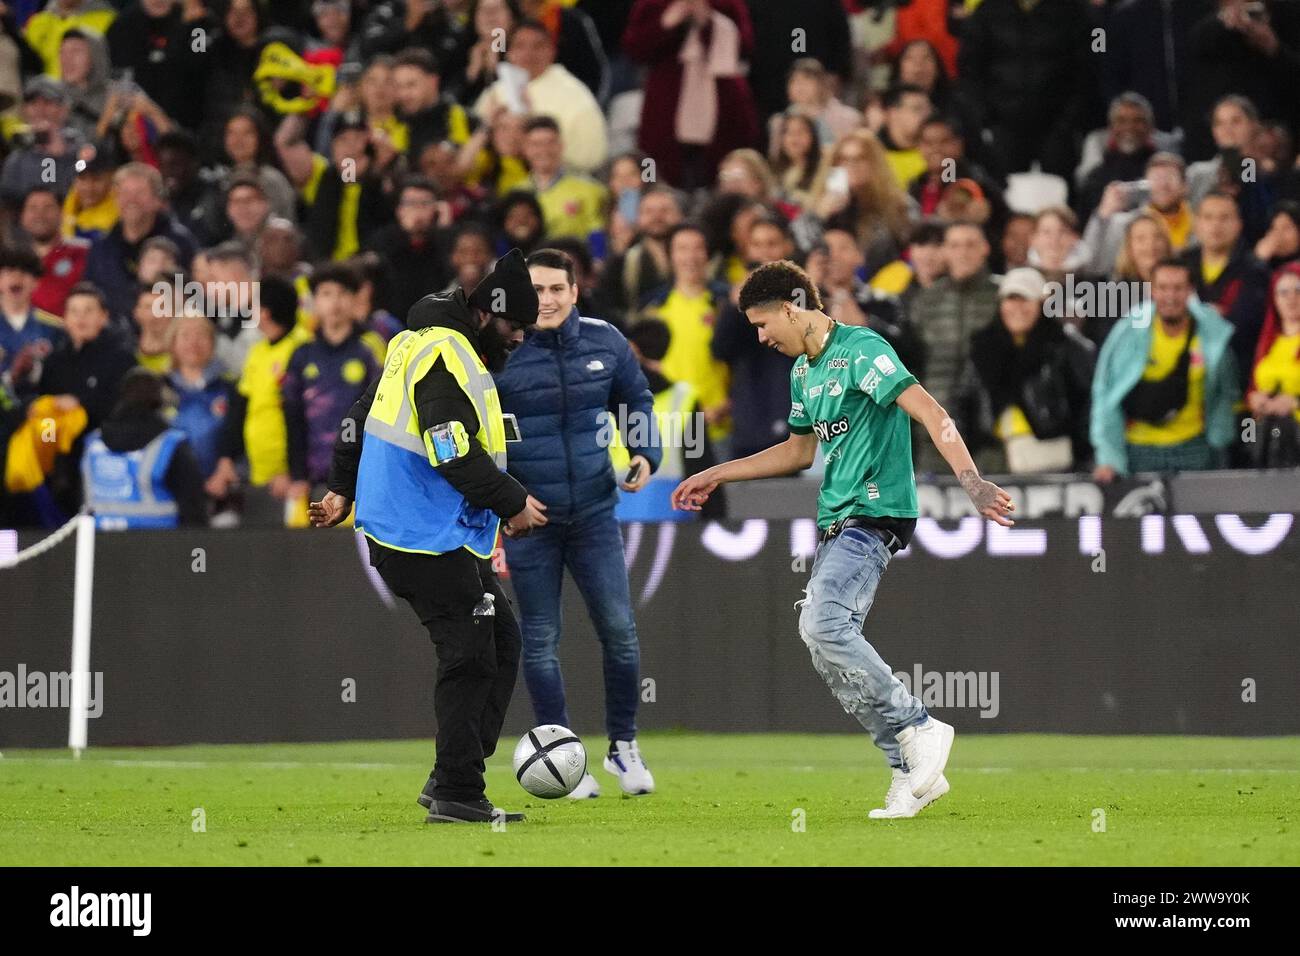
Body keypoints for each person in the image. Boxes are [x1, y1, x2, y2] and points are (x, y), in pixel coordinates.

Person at [671, 259, 1015, 819]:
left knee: (823, 623)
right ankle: (908, 772)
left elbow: (930, 412)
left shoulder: (863, 351)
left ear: (790, 307)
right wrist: (718, 472)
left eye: (763, 325)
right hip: (835, 521)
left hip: (874, 514)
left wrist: (971, 482)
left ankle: (919, 727)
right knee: (824, 644)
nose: (760, 338)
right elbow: (799, 452)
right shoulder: (804, 373)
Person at [310, 249, 547, 825]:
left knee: (501, 645)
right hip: (419, 534)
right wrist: (513, 500)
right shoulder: (445, 355)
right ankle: (458, 791)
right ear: (489, 314)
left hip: (436, 533)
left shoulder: (418, 345)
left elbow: (360, 414)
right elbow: (451, 450)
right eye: (516, 327)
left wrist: (341, 485)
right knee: (470, 654)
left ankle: (453, 774)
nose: (519, 340)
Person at [493, 248, 661, 798]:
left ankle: (623, 747)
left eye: (555, 290)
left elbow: (635, 397)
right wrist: (507, 503)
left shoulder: (607, 341)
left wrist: (644, 452)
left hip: (593, 512)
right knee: (540, 641)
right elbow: (477, 434)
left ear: (575, 291)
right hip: (529, 522)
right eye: (536, 290)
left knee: (620, 632)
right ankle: (564, 760)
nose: (545, 300)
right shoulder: (498, 350)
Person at [1091, 258, 1240, 478]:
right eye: (1163, 288)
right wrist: (1109, 458)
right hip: (1139, 450)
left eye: (1178, 288)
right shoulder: (1129, 332)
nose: (1170, 296)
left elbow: (1227, 391)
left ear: (1190, 291)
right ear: (1152, 290)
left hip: (1195, 449)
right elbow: (1105, 393)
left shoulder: (1211, 333)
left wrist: (1220, 439)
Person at [953, 268, 1096, 475]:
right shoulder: (983, 347)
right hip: (993, 458)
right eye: (1011, 299)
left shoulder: (1065, 346)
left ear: (1041, 303)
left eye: (1025, 299)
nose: (1017, 307)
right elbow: (964, 400)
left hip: (1054, 458)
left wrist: (1084, 456)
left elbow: (1087, 405)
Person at [81, 367, 207, 529]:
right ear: (159, 399)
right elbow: (193, 506)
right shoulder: (170, 443)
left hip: (98, 545)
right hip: (161, 545)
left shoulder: (93, 443)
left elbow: (81, 496)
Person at [1245, 262, 1300, 466]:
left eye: (1298, 290)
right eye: (1283, 292)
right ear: (1274, 299)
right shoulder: (1267, 343)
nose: (1291, 299)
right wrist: (1253, 399)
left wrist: (1294, 403)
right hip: (1266, 440)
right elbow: (1252, 390)